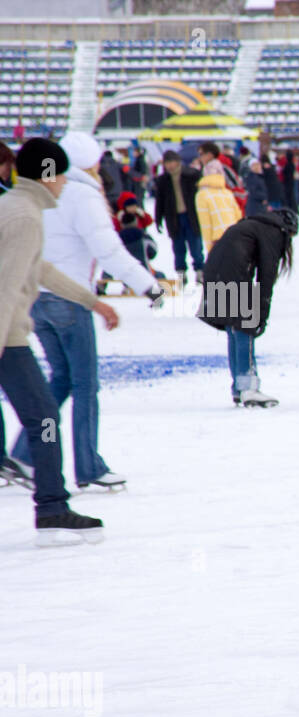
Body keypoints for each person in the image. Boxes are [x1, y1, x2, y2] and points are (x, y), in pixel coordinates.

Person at [6, 132, 165, 493]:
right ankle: (88, 465)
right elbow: (108, 250)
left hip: (36, 298)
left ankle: (25, 452)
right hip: (68, 297)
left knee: (60, 379)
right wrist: (147, 284)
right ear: (92, 163)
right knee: (84, 384)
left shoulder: (39, 193)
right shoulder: (83, 195)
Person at [0, 138, 116, 544]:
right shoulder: (24, 216)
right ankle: (51, 505)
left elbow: (40, 269)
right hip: (6, 338)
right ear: (47, 175)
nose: (66, 182)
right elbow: (6, 286)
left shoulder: (18, 208)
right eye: (62, 173)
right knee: (46, 419)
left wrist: (92, 302)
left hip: (9, 334)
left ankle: (52, 502)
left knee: (44, 416)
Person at [196, 207, 298, 407]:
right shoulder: (273, 231)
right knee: (244, 328)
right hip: (233, 273)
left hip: (215, 271)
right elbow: (267, 276)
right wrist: (262, 314)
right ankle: (249, 387)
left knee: (234, 329)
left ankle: (239, 388)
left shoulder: (254, 224)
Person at [153, 148, 205, 286]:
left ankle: (200, 272)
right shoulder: (163, 180)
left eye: (172, 162)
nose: (170, 166)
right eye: (167, 163)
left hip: (191, 216)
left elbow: (202, 195)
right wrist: (158, 219)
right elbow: (160, 202)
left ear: (178, 162)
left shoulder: (192, 175)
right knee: (178, 248)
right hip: (173, 218)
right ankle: (182, 274)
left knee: (196, 246)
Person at [196, 159, 242, 253]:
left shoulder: (202, 195)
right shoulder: (227, 193)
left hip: (217, 240)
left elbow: (205, 224)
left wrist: (209, 247)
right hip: (235, 236)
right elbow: (238, 216)